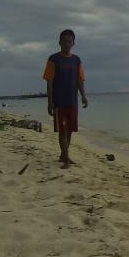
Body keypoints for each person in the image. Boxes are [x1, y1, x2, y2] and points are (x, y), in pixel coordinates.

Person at [43, 29, 87, 169]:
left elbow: (80, 80)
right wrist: (50, 102)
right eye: (65, 41)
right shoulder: (53, 59)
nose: (67, 44)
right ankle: (66, 158)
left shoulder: (77, 60)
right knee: (63, 130)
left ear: (73, 43)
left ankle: (63, 155)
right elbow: (49, 82)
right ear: (59, 42)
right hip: (59, 103)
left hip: (72, 102)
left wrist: (84, 96)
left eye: (70, 41)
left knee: (71, 130)